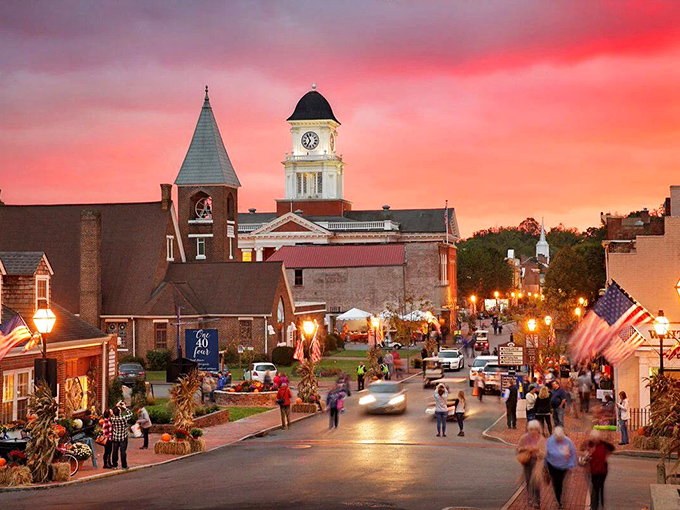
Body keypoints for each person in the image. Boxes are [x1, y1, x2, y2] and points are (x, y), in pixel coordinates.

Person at [582, 429, 615, 510]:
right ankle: (595, 505)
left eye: (596, 438)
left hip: (602, 470)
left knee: (600, 487)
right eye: (594, 438)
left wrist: (607, 456)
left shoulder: (603, 444)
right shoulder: (589, 445)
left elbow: (612, 448)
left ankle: (599, 505)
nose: (595, 440)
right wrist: (587, 455)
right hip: (593, 470)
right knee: (596, 488)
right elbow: (584, 453)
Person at [544, 427, 577, 508]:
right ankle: (558, 499)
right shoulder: (550, 441)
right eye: (557, 438)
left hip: (563, 466)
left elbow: (573, 452)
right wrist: (544, 465)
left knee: (560, 482)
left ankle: (559, 497)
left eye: (560, 438)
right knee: (556, 482)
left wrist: (571, 463)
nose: (559, 440)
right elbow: (545, 454)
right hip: (552, 465)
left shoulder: (567, 441)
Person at [517, 420, 546, 509]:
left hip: (537, 462)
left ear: (538, 430)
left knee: (536, 482)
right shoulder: (524, 438)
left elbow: (543, 454)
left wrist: (536, 450)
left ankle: (537, 500)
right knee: (528, 481)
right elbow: (518, 448)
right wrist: (526, 448)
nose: (533, 431)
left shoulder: (541, 439)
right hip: (527, 461)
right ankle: (530, 499)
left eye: (535, 429)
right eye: (531, 429)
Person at [110, 401, 133, 469]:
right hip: (123, 437)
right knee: (123, 451)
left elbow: (112, 412)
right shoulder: (123, 418)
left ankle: (114, 464)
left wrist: (116, 406)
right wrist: (125, 408)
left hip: (115, 437)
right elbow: (131, 414)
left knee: (115, 451)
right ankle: (124, 465)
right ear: (119, 412)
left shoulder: (112, 419)